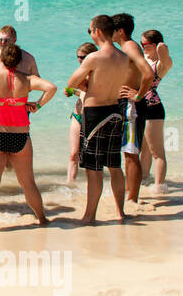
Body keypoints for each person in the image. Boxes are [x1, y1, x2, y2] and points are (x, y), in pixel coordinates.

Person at [0, 43, 55, 230]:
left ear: (1, 59)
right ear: (19, 60)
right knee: (28, 183)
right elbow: (51, 88)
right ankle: (42, 219)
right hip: (20, 137)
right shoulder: (28, 79)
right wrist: (38, 105)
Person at [65, 15, 132, 223]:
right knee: (114, 165)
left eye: (91, 30)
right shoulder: (123, 57)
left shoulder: (93, 58)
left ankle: (89, 215)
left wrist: (78, 86)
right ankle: (121, 212)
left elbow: (72, 82)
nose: (91, 34)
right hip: (115, 111)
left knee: (93, 169)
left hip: (94, 114)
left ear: (98, 31)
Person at [111, 13, 156, 205]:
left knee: (131, 152)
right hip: (126, 104)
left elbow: (147, 73)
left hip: (132, 105)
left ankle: (132, 199)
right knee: (127, 152)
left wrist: (137, 95)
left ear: (120, 31)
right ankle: (129, 193)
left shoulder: (129, 46)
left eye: (112, 29)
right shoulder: (124, 47)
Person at [138, 29, 173, 194]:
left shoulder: (160, 64)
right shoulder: (143, 59)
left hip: (153, 108)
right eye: (141, 44)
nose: (142, 47)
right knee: (143, 149)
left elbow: (165, 58)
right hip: (139, 107)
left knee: (156, 151)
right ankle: (144, 179)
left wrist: (160, 47)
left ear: (154, 45)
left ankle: (160, 187)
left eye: (145, 44)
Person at [66, 42, 98, 183]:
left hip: (92, 116)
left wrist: (75, 91)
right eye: (78, 57)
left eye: (83, 57)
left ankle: (91, 185)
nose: (80, 60)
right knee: (73, 154)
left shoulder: (97, 74)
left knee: (91, 156)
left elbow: (91, 94)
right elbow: (78, 91)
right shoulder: (81, 72)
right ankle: (70, 185)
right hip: (77, 114)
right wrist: (72, 91)